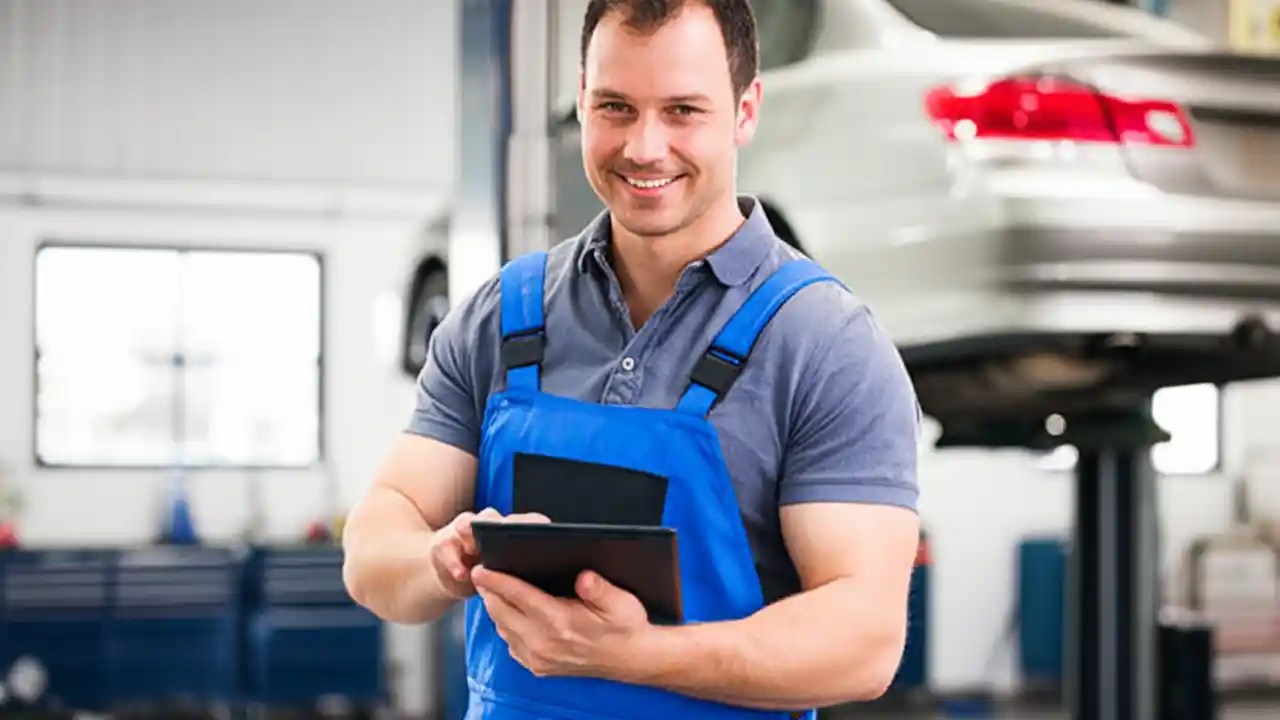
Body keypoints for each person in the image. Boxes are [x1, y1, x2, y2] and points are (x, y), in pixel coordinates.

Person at [342, 1, 922, 717]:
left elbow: (863, 640)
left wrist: (632, 656)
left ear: (746, 112)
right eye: (615, 107)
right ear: (582, 102)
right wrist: (439, 560)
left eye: (683, 110)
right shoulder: (501, 317)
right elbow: (374, 548)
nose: (645, 147)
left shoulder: (823, 344)